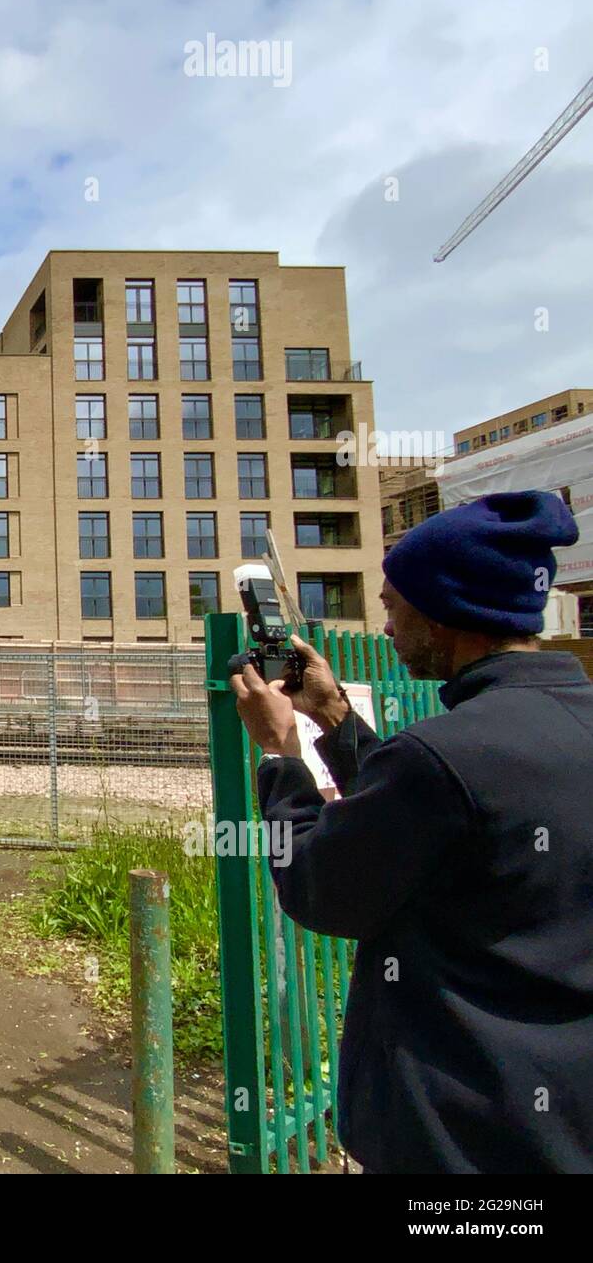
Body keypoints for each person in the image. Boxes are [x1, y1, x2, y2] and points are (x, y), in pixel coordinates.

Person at [230, 490, 593, 1173]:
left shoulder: (441, 756)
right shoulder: (547, 727)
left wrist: (281, 756)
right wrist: (333, 713)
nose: (388, 626)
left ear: (442, 612)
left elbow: (317, 889)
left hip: (461, 1134)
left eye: (394, 605)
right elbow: (440, 809)